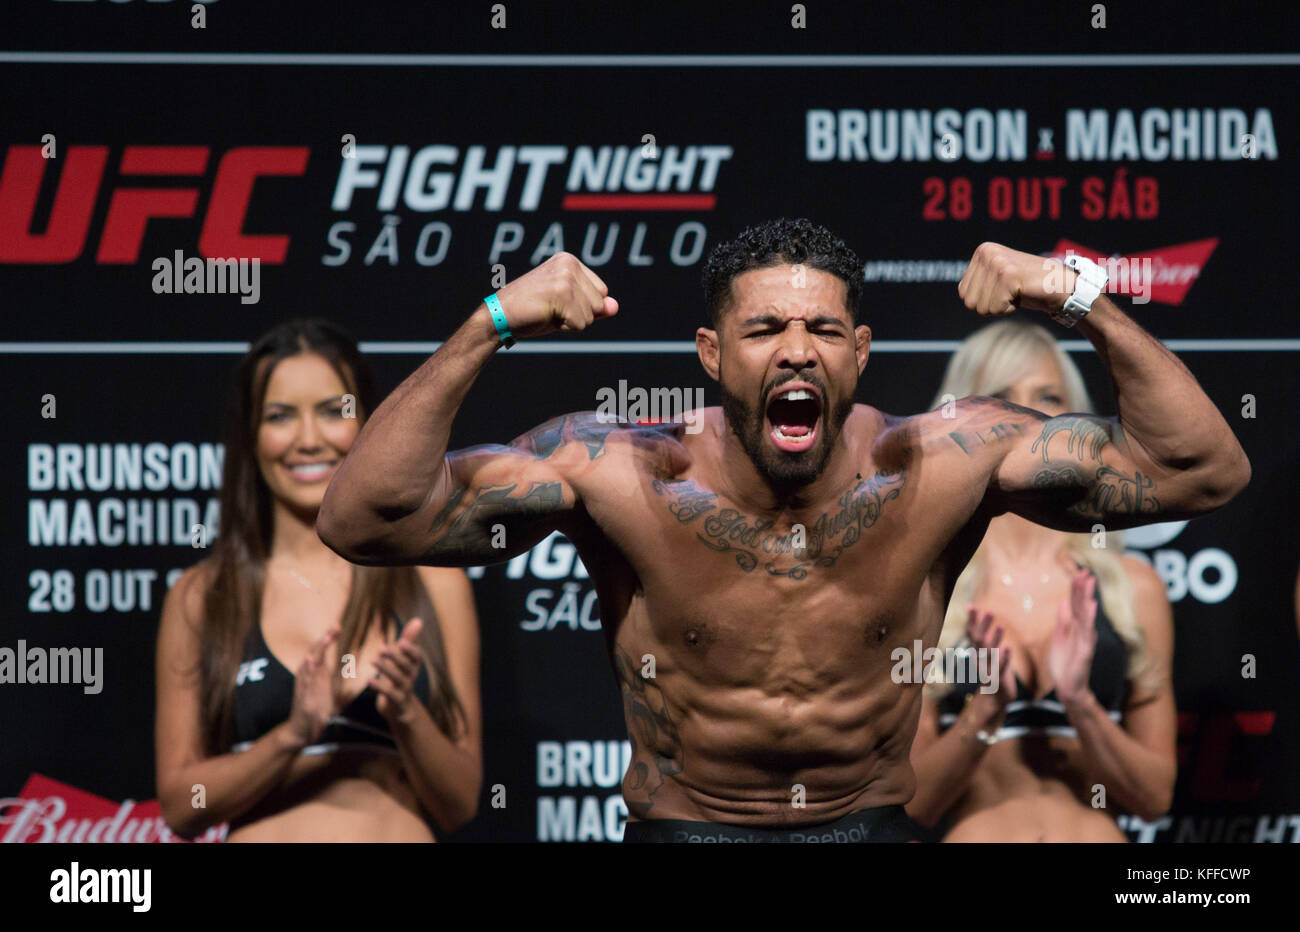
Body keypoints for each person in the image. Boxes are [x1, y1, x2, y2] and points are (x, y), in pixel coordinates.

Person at [318, 217, 1248, 843]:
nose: (798, 348)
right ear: (712, 355)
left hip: (871, 827)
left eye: (823, 329)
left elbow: (1201, 469)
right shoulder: (622, 471)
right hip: (684, 831)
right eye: (766, 327)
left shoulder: (944, 460)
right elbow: (366, 515)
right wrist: (490, 323)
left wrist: (1073, 295)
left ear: (861, 352)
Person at [155, 318, 482, 841]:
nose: (308, 440)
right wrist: (292, 736)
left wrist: (405, 713)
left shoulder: (433, 582)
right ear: (251, 434)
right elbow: (180, 804)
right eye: (280, 416)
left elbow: (461, 801)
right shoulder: (202, 596)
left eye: (334, 412)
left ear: (370, 424)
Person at [906, 320, 1175, 841]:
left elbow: (1154, 798)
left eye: (1047, 395)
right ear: (957, 417)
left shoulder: (1131, 588)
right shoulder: (926, 588)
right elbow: (914, 806)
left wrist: (1081, 704)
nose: (1027, 415)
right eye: (1001, 397)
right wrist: (984, 711)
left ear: (1076, 418)